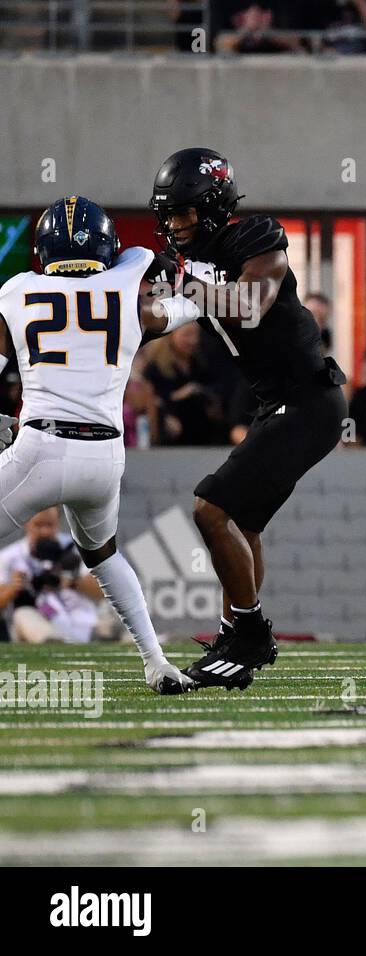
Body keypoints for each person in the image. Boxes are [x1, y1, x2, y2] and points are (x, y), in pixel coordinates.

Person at [149, 148, 347, 689]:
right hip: (274, 404)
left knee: (211, 507)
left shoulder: (256, 236)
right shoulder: (183, 264)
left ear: (213, 207)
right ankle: (235, 642)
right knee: (241, 524)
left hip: (309, 400)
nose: (175, 226)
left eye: (185, 214)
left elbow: (252, 303)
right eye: (168, 216)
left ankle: (250, 634)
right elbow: (151, 320)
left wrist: (182, 283)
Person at [0, 196, 203, 692]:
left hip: (41, 449)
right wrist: (195, 282)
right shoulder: (130, 291)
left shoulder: (16, 292)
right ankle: (156, 660)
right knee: (105, 556)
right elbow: (186, 306)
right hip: (105, 456)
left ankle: (156, 659)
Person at [0, 509, 106, 644]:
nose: (45, 531)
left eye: (50, 525)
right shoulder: (10, 557)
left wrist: (70, 582)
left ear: (58, 523)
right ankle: (54, 641)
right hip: (38, 625)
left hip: (84, 622)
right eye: (38, 525)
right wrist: (13, 589)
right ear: (26, 523)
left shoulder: (76, 549)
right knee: (23, 614)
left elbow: (104, 592)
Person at [143, 323, 226, 446]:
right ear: (170, 335)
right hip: (171, 439)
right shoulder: (155, 369)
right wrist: (179, 395)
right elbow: (152, 401)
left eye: (195, 335)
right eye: (187, 335)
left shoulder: (200, 364)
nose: (193, 341)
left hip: (202, 439)